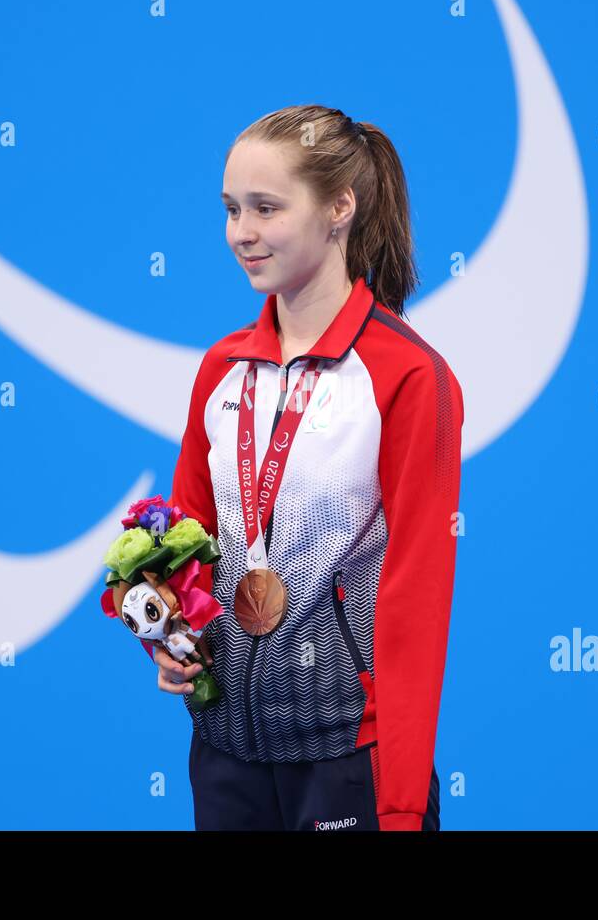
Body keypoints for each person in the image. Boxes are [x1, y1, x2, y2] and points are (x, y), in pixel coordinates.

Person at [154, 104, 464, 831]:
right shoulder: (221, 368)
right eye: (231, 209)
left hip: (350, 763)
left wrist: (399, 803)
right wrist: (169, 636)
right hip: (225, 757)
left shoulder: (408, 376)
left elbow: (417, 603)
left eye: (266, 208)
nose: (242, 233)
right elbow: (186, 540)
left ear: (339, 209)